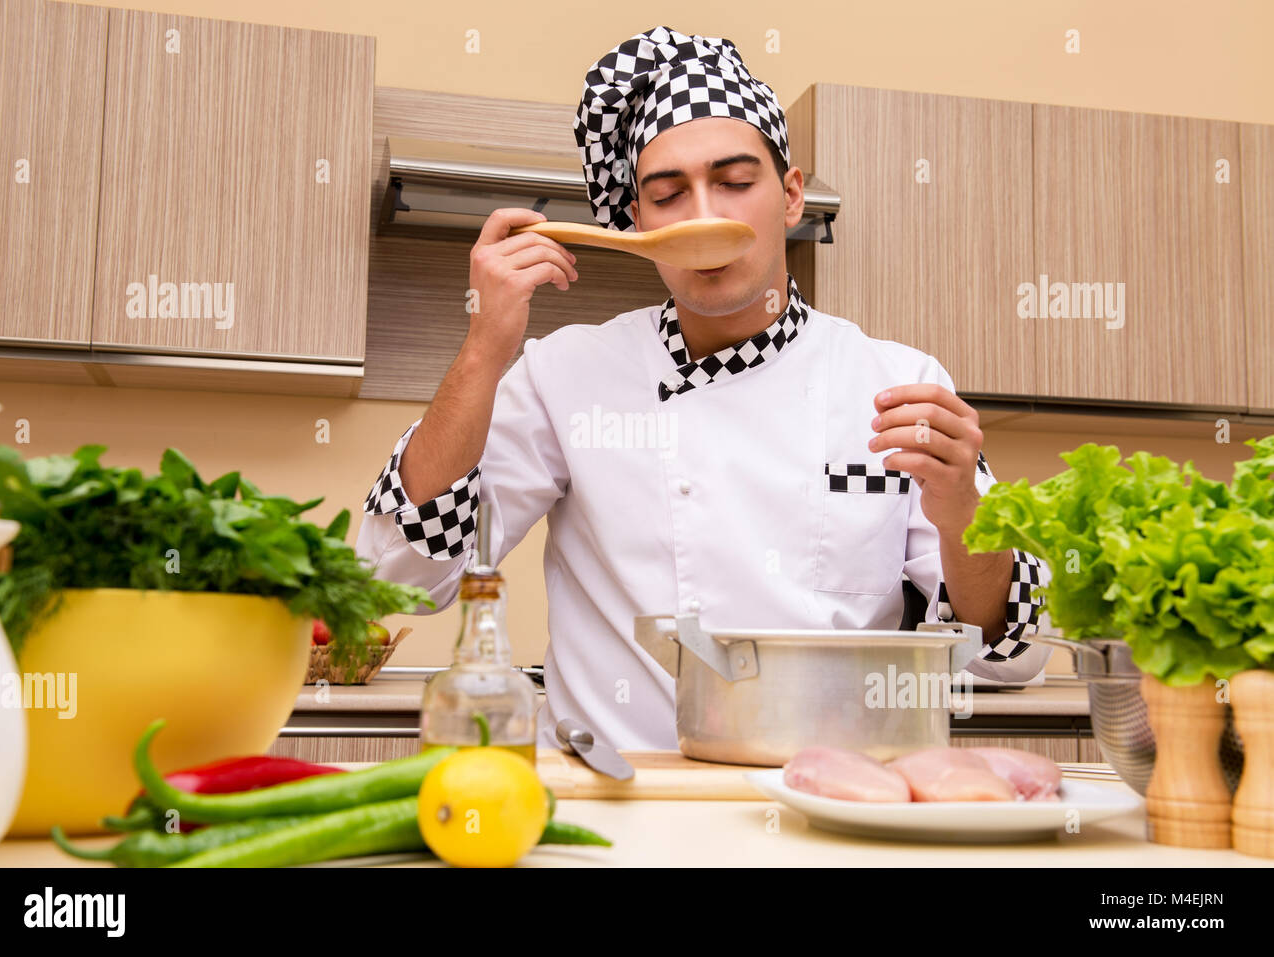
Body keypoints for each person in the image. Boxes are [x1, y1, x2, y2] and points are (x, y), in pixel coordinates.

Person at [356, 25, 1051, 751]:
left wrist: (962, 511)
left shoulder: (898, 382)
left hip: (833, 803)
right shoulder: (567, 375)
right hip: (627, 806)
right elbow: (393, 579)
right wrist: (482, 351)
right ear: (635, 221)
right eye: (667, 194)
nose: (703, 215)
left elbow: (1005, 654)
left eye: (734, 181)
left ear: (789, 196)